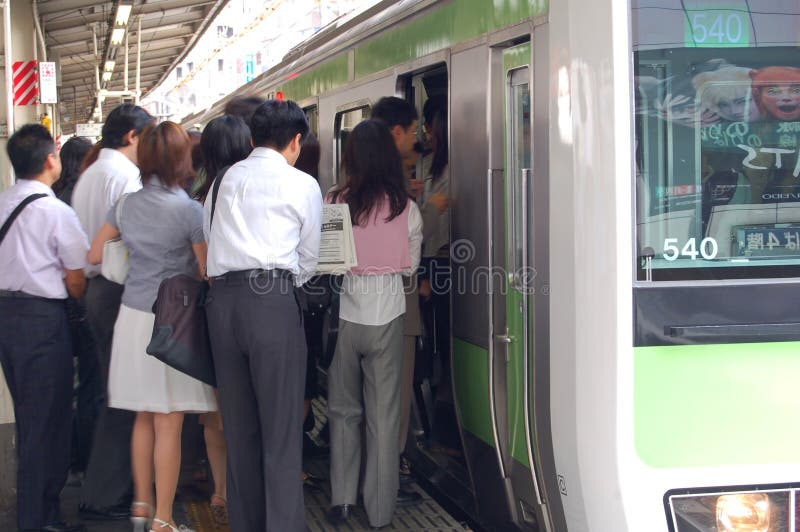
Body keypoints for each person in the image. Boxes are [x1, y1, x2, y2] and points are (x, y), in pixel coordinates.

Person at [88, 121, 217, 532]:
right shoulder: (189, 210)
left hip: (131, 318)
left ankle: (141, 506)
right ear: (182, 158)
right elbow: (205, 269)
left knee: (143, 416)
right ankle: (163, 518)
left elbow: (94, 252)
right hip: (171, 322)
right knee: (170, 421)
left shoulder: (126, 205)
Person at [203, 99, 322, 532]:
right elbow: (309, 257)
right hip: (271, 300)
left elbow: (208, 237)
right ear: (295, 141)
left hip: (223, 307)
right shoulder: (302, 184)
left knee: (241, 432)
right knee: (281, 432)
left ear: (252, 139)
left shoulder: (221, 182)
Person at [325, 119, 423, 529]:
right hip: (387, 319)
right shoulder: (407, 208)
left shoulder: (334, 201)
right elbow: (411, 269)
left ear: (350, 157)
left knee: (343, 411)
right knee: (383, 419)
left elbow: (327, 264)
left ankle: (342, 500)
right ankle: (380, 511)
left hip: (347, 318)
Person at [0, 124, 89, 532]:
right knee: (46, 422)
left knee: (30, 415)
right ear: (50, 159)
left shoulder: (2, 204)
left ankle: (39, 514)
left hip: (7, 319)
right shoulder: (56, 211)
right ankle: (37, 520)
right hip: (41, 321)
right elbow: (76, 278)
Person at [72, 103, 153, 521]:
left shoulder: (91, 174)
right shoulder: (122, 176)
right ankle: (106, 492)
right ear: (133, 136)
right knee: (123, 395)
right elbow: (131, 236)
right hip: (115, 289)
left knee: (114, 391)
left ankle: (105, 486)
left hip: (97, 289)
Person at [195, 114, 253, 526]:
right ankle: (249, 491)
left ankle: (222, 490)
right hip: (258, 301)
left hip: (217, 307)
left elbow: (207, 268)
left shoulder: (207, 194)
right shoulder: (252, 186)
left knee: (219, 408)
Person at [370, 96, 426, 494]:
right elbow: (408, 264)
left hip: (355, 308)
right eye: (412, 130)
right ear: (396, 133)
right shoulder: (402, 202)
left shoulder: (341, 192)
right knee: (395, 390)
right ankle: (391, 472)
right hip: (398, 302)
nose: (416, 138)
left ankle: (364, 473)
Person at [53, 136, 104, 480]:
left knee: (65, 384)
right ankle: (85, 458)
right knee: (90, 382)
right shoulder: (81, 196)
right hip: (80, 298)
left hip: (54, 306)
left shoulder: (57, 194)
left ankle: (70, 455)